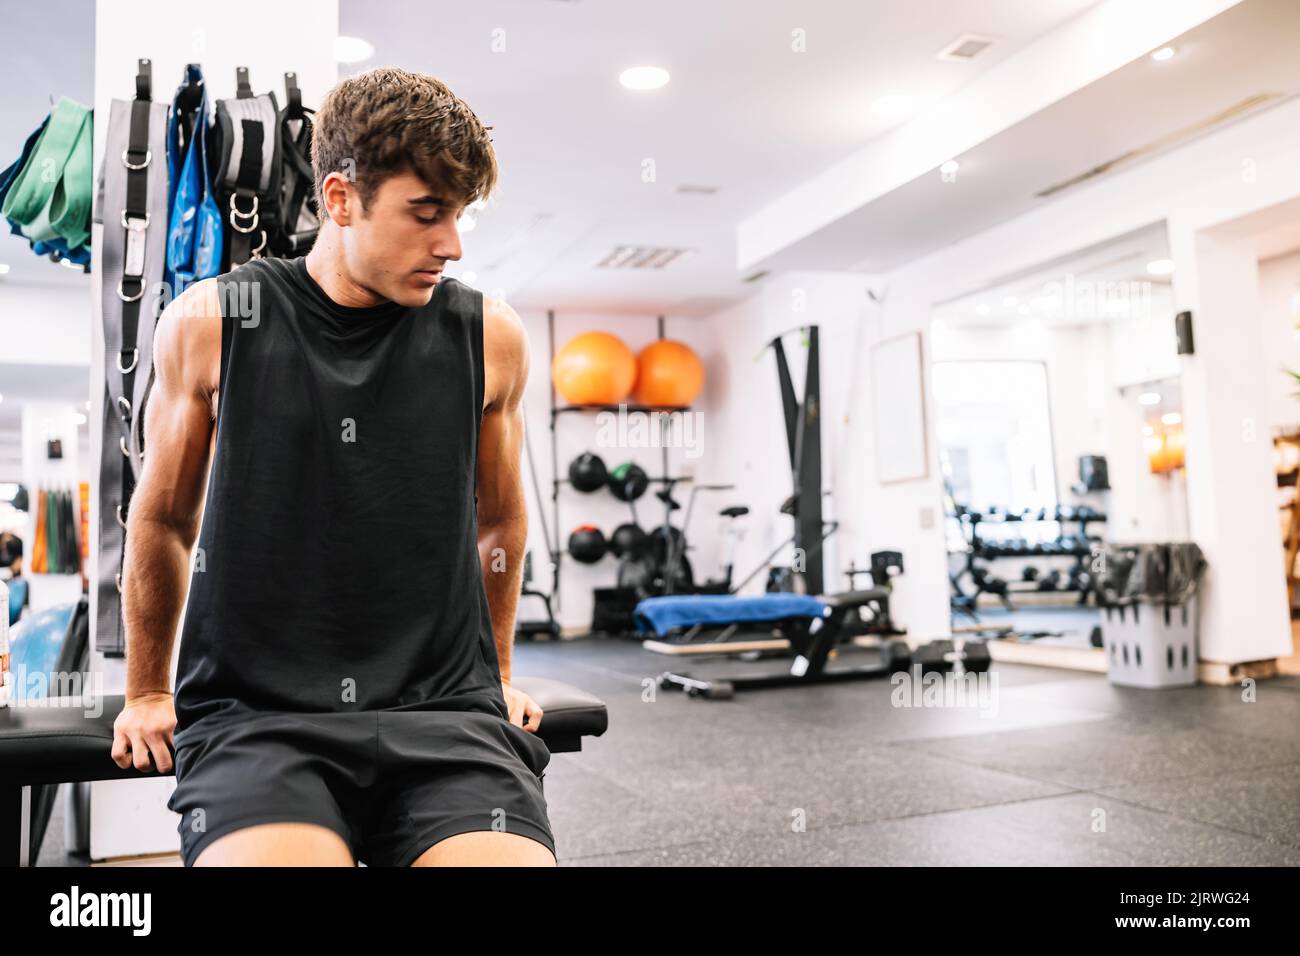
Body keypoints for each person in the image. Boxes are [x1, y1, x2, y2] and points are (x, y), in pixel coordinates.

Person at [109, 67, 555, 866]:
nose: (450, 245)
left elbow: (500, 519)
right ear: (341, 199)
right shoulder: (214, 323)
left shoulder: (491, 337)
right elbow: (165, 520)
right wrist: (147, 690)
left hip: (447, 714)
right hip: (260, 720)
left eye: (458, 217)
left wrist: (500, 671)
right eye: (425, 215)